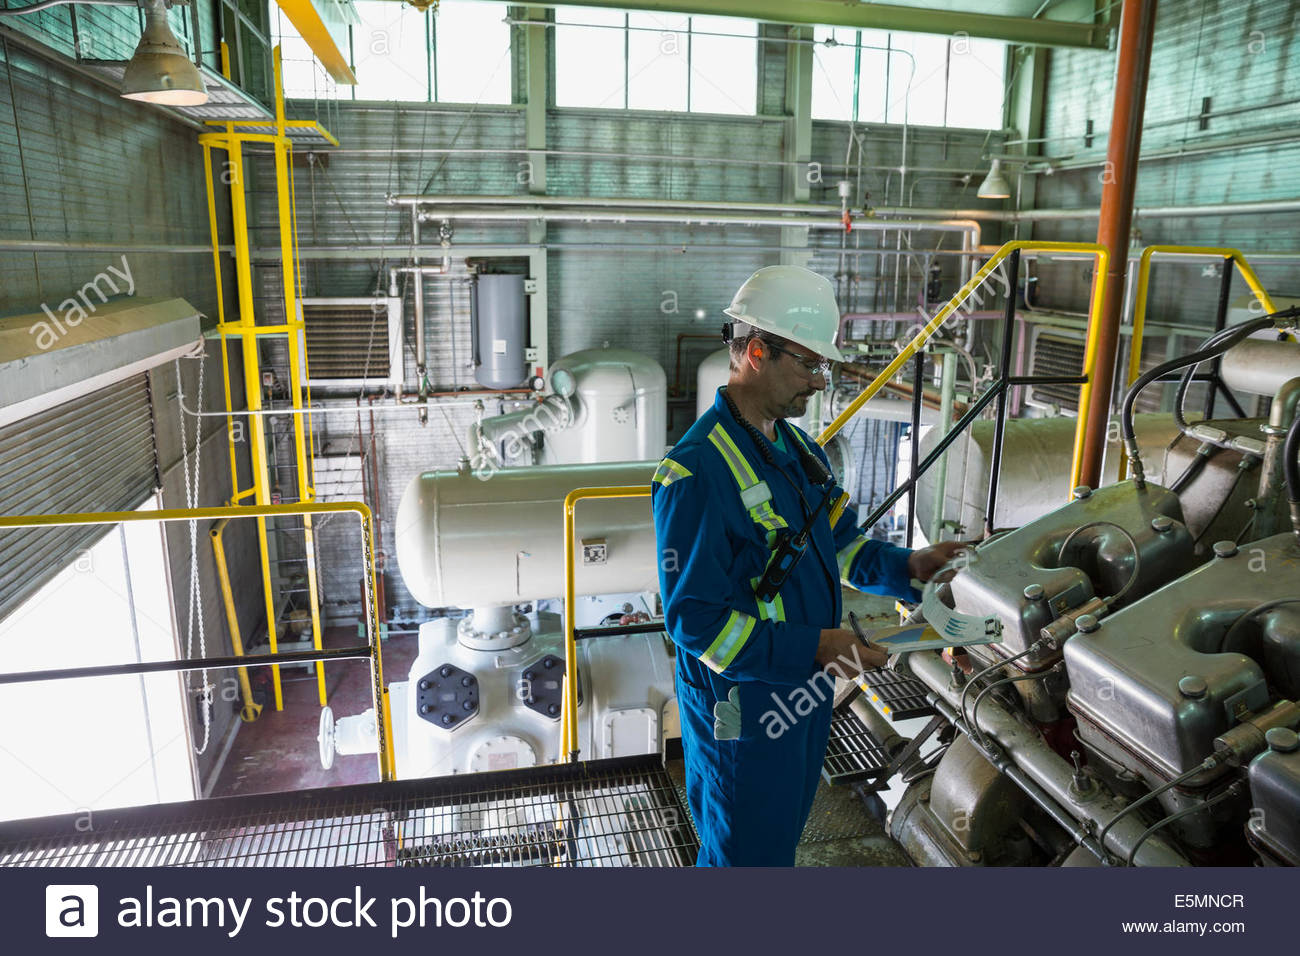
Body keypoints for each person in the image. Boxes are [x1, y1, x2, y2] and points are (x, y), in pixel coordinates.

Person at [651, 265, 964, 867]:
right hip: (741, 710)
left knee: (779, 842)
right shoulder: (694, 475)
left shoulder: (802, 453)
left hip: (803, 693)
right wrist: (818, 647)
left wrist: (914, 566)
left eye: (827, 366)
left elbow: (842, 547)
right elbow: (696, 624)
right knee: (743, 857)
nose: (822, 382)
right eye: (811, 365)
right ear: (758, 353)